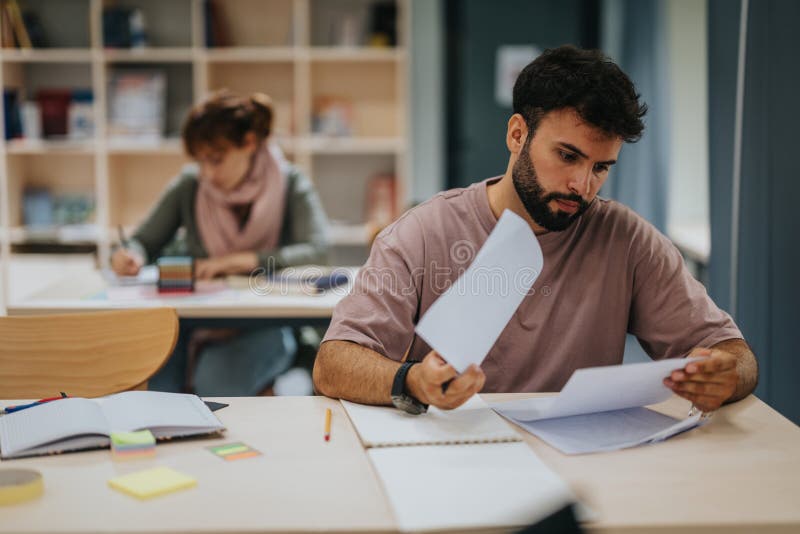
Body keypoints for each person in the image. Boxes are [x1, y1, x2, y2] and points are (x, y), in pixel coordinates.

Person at [313, 45, 757, 414]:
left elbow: (735, 355)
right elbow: (332, 363)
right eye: (567, 156)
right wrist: (412, 381)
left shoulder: (626, 240)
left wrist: (725, 374)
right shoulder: (422, 233)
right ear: (517, 134)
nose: (582, 186)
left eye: (600, 167)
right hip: (448, 456)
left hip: (581, 463)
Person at [111, 90, 329, 396]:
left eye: (216, 159)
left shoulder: (290, 183)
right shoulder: (190, 186)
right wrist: (128, 255)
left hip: (267, 325)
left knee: (214, 383)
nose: (207, 173)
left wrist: (236, 261)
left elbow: (318, 249)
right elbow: (143, 242)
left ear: (249, 143)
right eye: (201, 161)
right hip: (192, 325)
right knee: (156, 388)